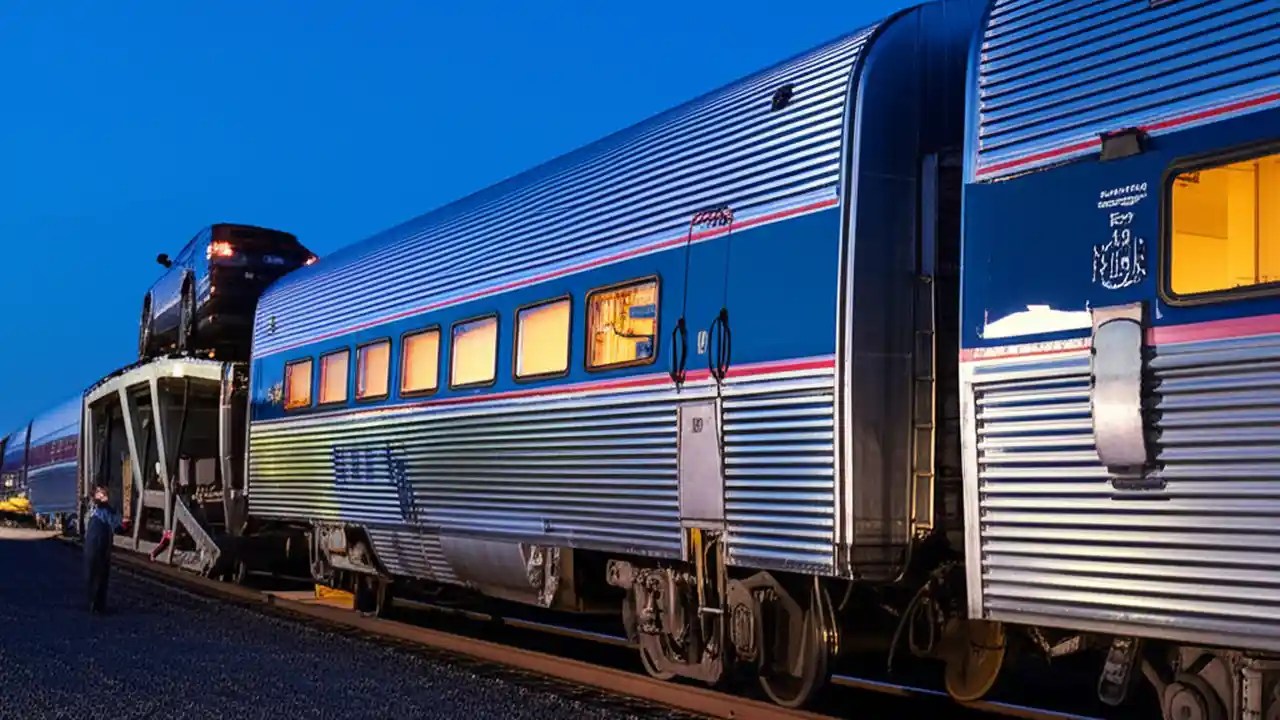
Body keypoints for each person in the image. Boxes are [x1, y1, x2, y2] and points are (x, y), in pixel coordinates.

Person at [84, 485, 124, 614]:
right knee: (100, 574)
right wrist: (124, 524)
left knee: (92, 573)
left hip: (92, 545)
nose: (104, 496)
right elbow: (117, 526)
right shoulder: (105, 510)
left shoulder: (92, 510)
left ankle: (93, 603)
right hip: (100, 545)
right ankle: (98, 605)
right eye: (101, 493)